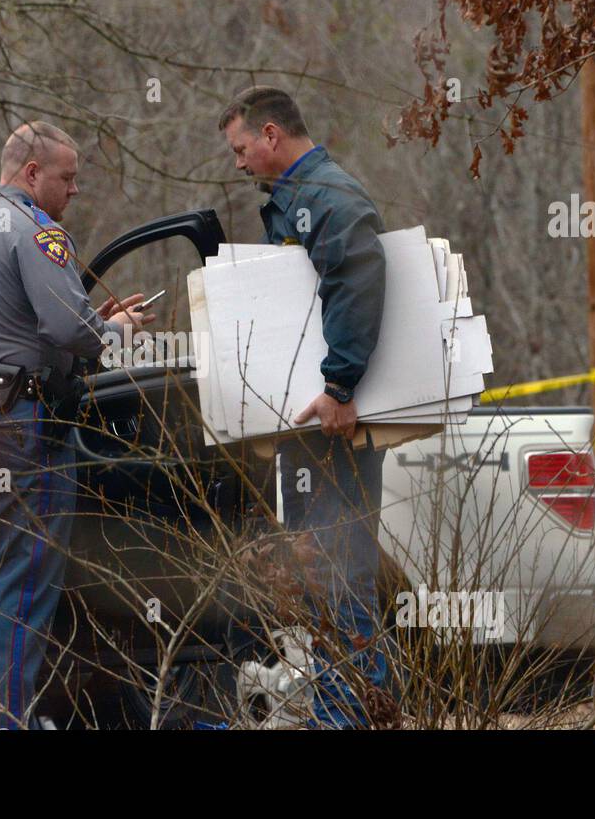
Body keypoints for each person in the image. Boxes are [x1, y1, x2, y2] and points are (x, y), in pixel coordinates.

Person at [0, 121, 153, 729]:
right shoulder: (39, 231)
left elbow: (12, 325)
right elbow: (68, 331)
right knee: (22, 586)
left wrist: (88, 319)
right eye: (68, 177)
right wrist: (117, 330)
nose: (75, 189)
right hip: (22, 424)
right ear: (33, 173)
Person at [218, 86, 391, 727]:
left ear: (271, 134)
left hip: (333, 423)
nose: (239, 163)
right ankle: (338, 710)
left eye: (241, 148)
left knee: (342, 574)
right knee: (323, 574)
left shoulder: (327, 198)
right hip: (309, 428)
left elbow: (356, 280)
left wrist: (340, 386)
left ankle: (353, 717)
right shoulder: (297, 198)